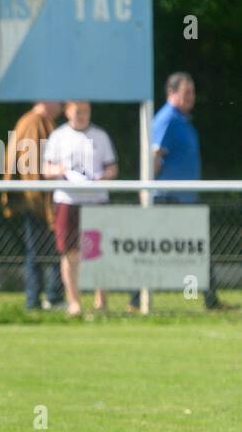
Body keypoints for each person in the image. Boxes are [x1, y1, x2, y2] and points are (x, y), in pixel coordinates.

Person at [129, 73, 233, 311]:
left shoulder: (182, 120)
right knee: (153, 248)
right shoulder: (167, 119)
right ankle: (136, 301)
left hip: (184, 198)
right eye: (186, 93)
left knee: (198, 247)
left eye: (193, 92)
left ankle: (211, 300)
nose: (191, 97)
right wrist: (147, 190)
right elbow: (154, 157)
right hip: (167, 198)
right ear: (171, 93)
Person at [43, 101, 119, 317]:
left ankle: (101, 301)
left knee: (97, 252)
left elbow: (112, 168)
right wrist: (65, 171)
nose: (82, 115)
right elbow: (46, 168)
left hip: (96, 201)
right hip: (68, 201)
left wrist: (100, 178)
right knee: (71, 252)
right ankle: (74, 302)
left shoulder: (100, 136)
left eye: (86, 111)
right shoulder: (58, 136)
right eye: (78, 111)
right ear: (67, 111)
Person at [4, 101, 64, 311]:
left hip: (40, 199)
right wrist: (39, 200)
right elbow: (29, 166)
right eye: (59, 101)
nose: (62, 106)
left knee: (44, 251)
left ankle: (44, 298)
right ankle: (41, 300)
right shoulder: (33, 122)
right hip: (38, 202)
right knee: (39, 253)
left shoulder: (40, 122)